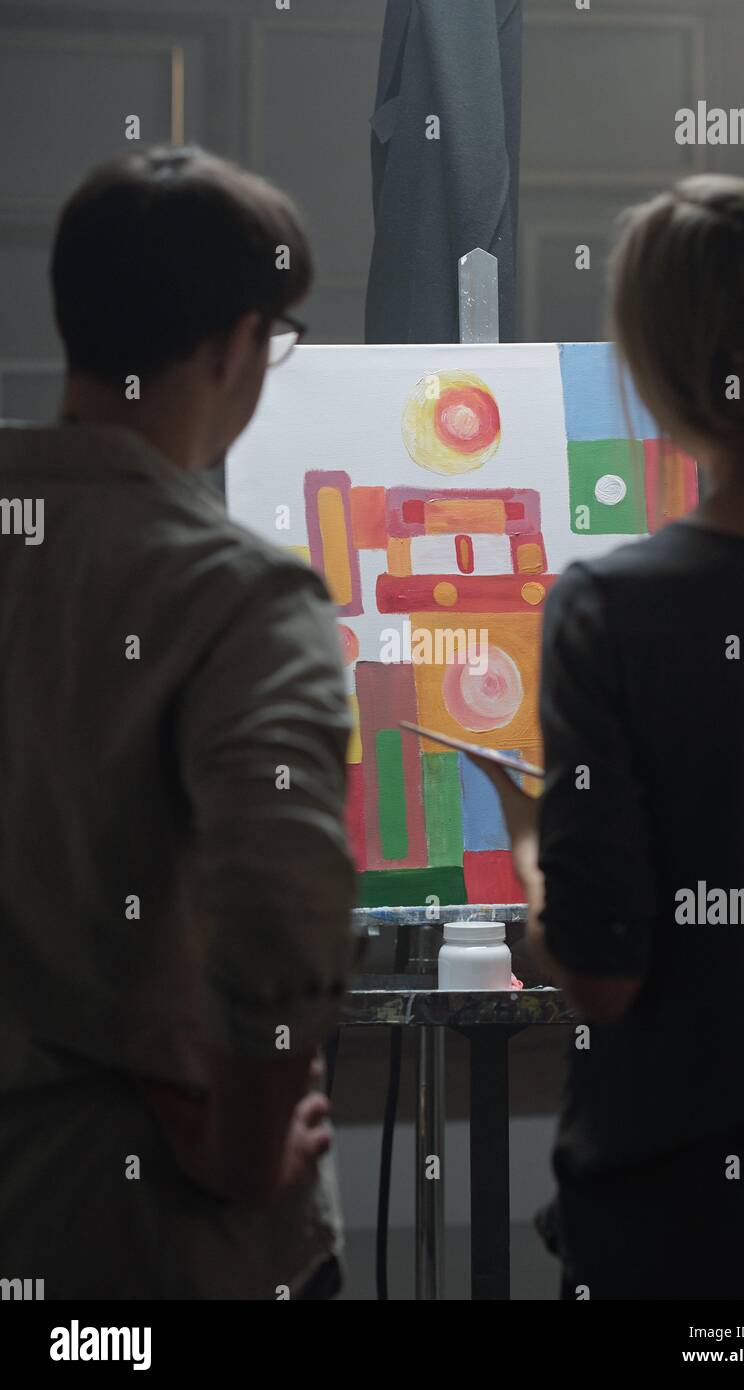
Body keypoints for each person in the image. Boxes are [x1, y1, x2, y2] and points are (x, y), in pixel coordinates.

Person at [477, 174, 744, 1300]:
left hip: (683, 1224)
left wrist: (534, 842)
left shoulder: (616, 611)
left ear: (654, 369)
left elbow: (599, 977)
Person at [0, 147, 356, 1299]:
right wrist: (251, 1145)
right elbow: (283, 892)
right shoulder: (235, 594)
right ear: (236, 340)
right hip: (140, 1220)